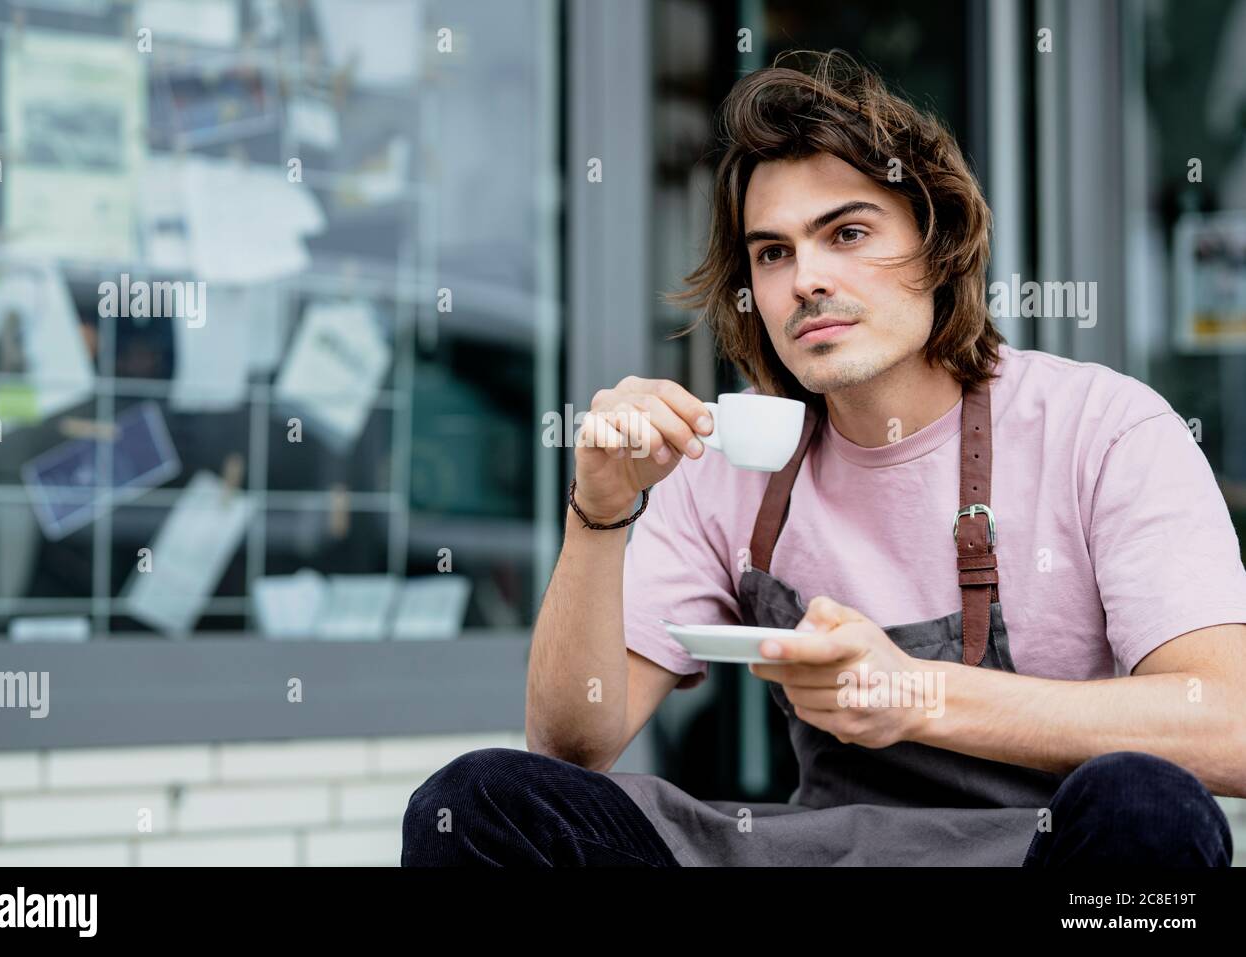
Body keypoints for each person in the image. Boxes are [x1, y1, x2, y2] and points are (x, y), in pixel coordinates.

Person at [402, 49, 1245, 867]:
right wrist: (599, 512)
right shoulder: (726, 465)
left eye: (846, 232)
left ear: (937, 243)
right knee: (480, 801)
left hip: (1037, 854)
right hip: (821, 846)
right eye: (773, 252)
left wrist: (912, 694)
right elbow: (569, 744)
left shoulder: (1103, 428)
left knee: (1150, 808)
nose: (806, 278)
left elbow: (1230, 725)